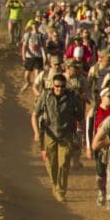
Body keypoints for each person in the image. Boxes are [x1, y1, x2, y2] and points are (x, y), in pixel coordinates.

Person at [32, 70, 84, 203]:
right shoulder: (45, 96)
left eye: (61, 86)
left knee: (63, 164)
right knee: (51, 164)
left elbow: (81, 116)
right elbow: (34, 115)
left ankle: (60, 191)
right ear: (52, 86)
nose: (59, 88)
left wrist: (80, 133)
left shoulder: (72, 97)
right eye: (56, 86)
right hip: (49, 134)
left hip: (66, 135)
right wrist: (37, 133)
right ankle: (55, 185)